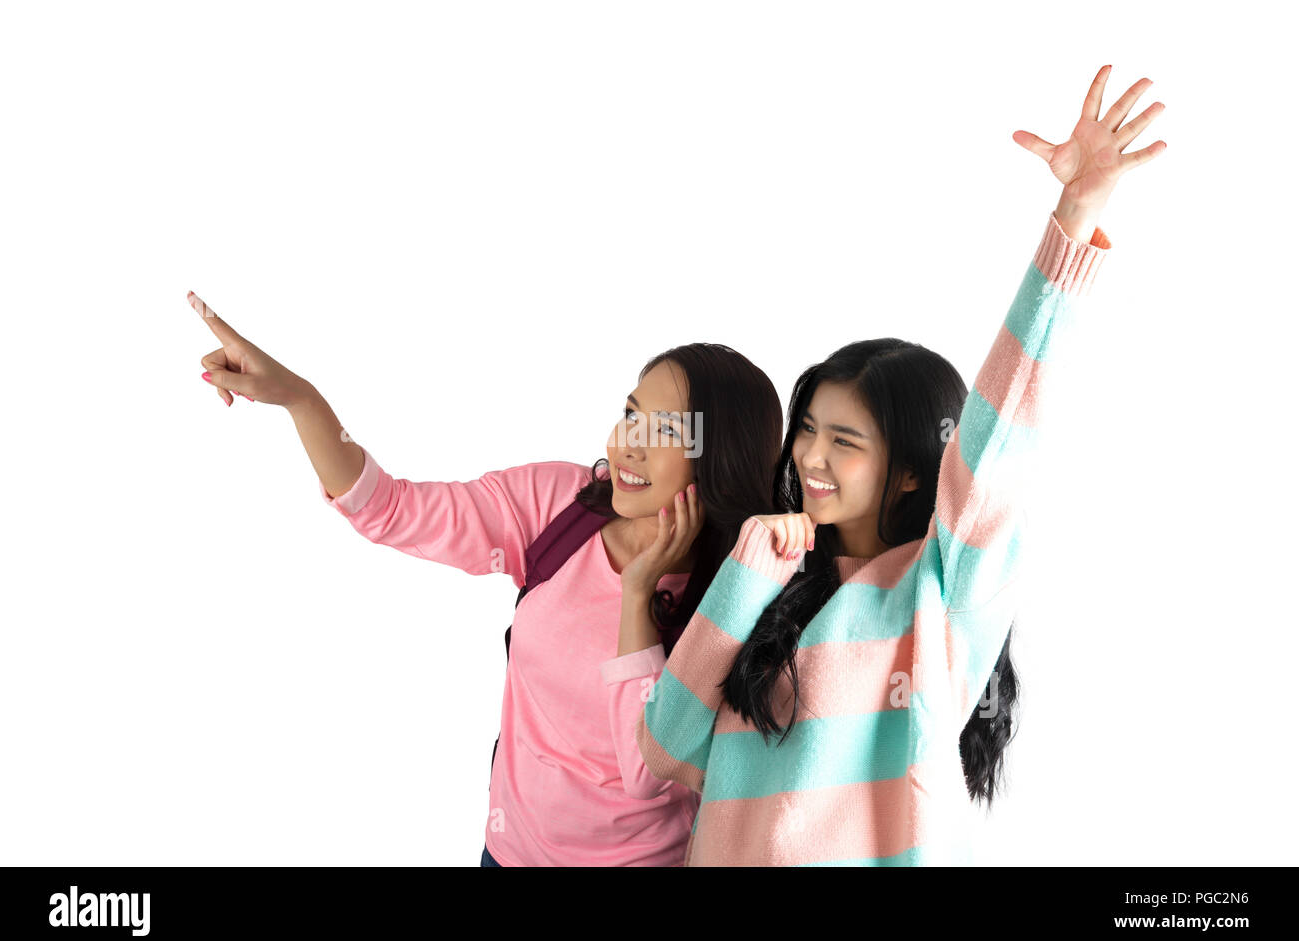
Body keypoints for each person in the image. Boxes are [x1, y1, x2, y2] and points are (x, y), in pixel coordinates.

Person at [610, 64, 1166, 865]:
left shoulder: (940, 592)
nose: (808, 456)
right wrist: (748, 575)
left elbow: (998, 444)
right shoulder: (769, 582)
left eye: (845, 440)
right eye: (807, 430)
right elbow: (664, 750)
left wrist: (1072, 222)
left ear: (911, 468)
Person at [185, 306, 784, 866]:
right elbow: (392, 510)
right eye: (631, 415)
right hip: (508, 852)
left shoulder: (736, 595)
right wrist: (300, 398)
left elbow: (647, 771)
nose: (628, 445)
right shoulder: (559, 506)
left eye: (666, 433)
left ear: (717, 456)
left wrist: (637, 598)